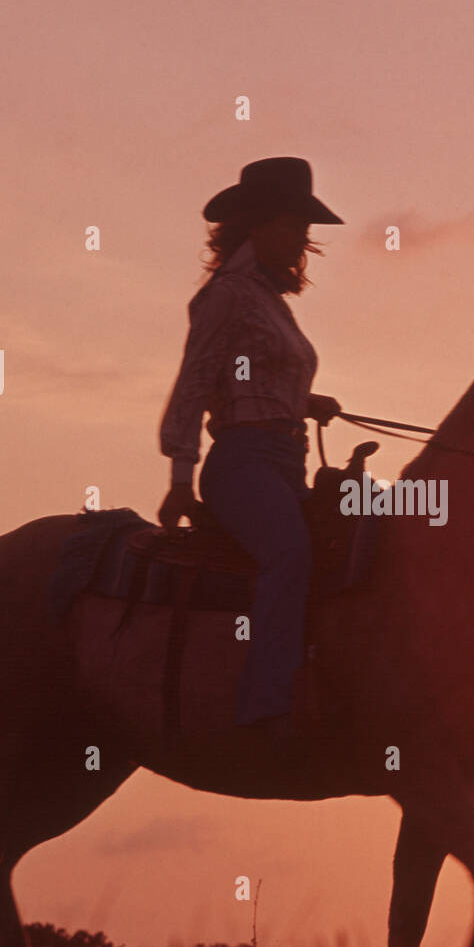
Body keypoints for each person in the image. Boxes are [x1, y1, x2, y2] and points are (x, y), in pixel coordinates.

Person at [158, 157, 343, 745]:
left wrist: (304, 402)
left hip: (287, 461)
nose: (301, 242)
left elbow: (251, 377)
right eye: (292, 227)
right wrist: (181, 475)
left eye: (303, 232)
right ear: (258, 226)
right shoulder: (227, 297)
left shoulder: (268, 302)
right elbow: (196, 381)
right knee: (289, 553)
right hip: (243, 464)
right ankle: (267, 704)